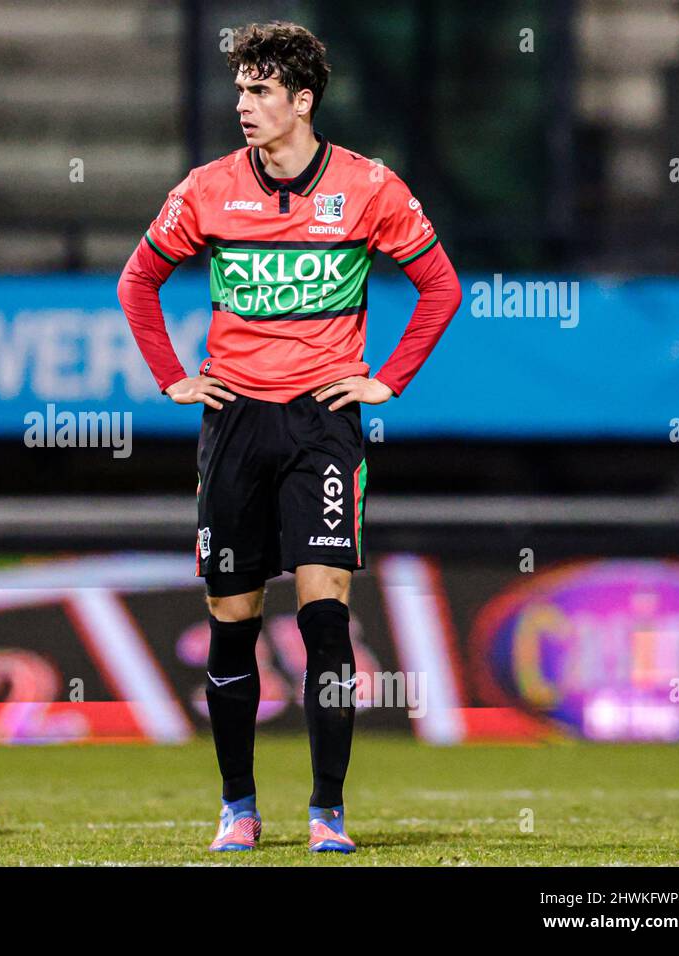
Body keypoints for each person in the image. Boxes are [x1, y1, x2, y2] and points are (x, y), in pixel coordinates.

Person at [117, 22, 462, 853]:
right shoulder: (206, 189)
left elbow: (440, 285)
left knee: (325, 617)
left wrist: (390, 379)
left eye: (260, 91)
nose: (243, 104)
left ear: (301, 102)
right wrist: (172, 376)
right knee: (232, 619)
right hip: (233, 421)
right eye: (240, 89)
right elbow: (139, 280)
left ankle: (327, 812)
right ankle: (238, 805)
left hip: (322, 425)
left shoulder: (369, 187)